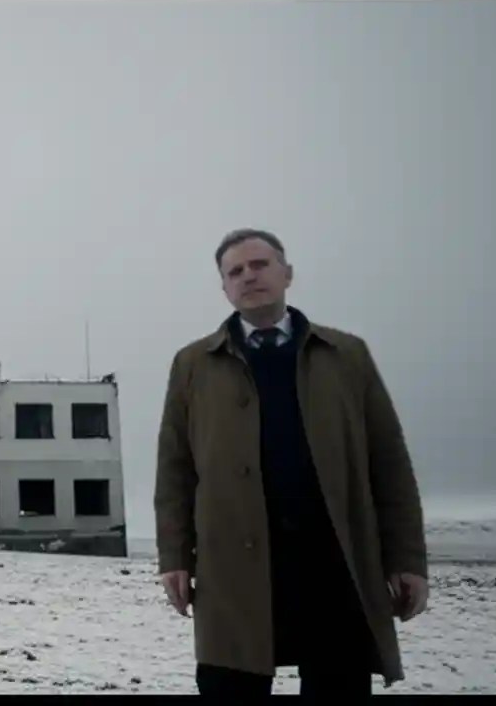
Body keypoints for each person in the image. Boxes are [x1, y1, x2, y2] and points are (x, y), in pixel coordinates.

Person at [153, 228, 429, 698]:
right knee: (229, 683)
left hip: (332, 561)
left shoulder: (347, 355)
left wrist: (406, 559)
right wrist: (175, 557)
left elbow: (389, 463)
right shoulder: (193, 364)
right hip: (231, 565)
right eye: (234, 271)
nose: (248, 277)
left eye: (259, 265)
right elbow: (175, 469)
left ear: (287, 273)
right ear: (224, 288)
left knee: (338, 681)